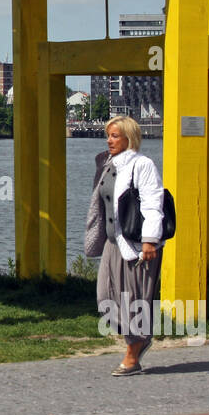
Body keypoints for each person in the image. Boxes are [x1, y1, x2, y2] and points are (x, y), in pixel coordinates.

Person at [84, 114, 166, 376]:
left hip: (136, 243)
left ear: (129, 138)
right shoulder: (109, 165)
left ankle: (133, 353)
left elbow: (154, 203)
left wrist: (150, 241)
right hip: (113, 240)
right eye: (108, 135)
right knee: (105, 298)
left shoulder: (142, 165)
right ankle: (140, 339)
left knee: (134, 300)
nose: (109, 140)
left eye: (115, 135)